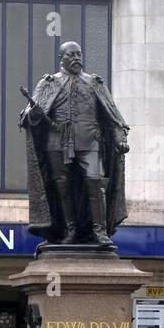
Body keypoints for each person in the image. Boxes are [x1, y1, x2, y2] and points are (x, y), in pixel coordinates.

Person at [21, 41, 130, 248]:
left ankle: (99, 231)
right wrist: (33, 115)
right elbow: (29, 116)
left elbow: (112, 116)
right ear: (61, 58)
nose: (76, 58)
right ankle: (69, 229)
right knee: (62, 188)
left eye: (79, 54)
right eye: (71, 55)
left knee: (95, 183)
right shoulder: (49, 83)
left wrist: (119, 138)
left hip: (89, 140)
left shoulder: (94, 83)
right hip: (56, 141)